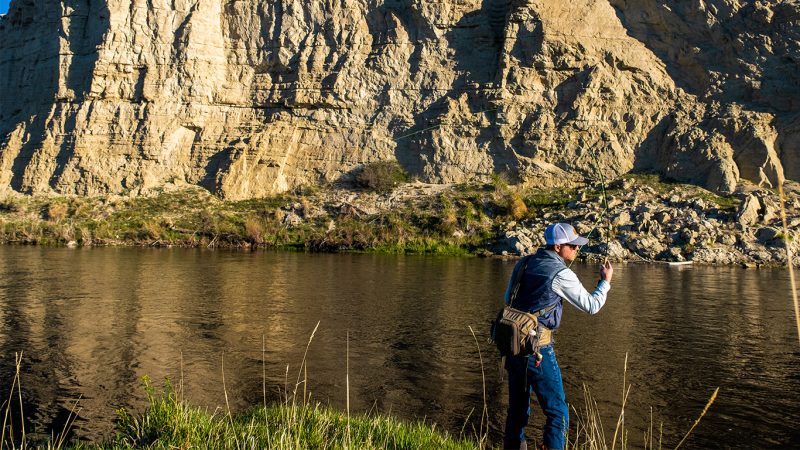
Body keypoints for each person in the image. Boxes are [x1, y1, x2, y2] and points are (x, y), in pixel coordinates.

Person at [502, 223, 613, 450]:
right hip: (538, 348)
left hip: (513, 345)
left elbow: (508, 299)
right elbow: (592, 306)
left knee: (517, 408)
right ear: (558, 246)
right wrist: (605, 282)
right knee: (558, 412)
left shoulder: (523, 263)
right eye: (572, 246)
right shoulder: (562, 273)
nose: (576, 250)